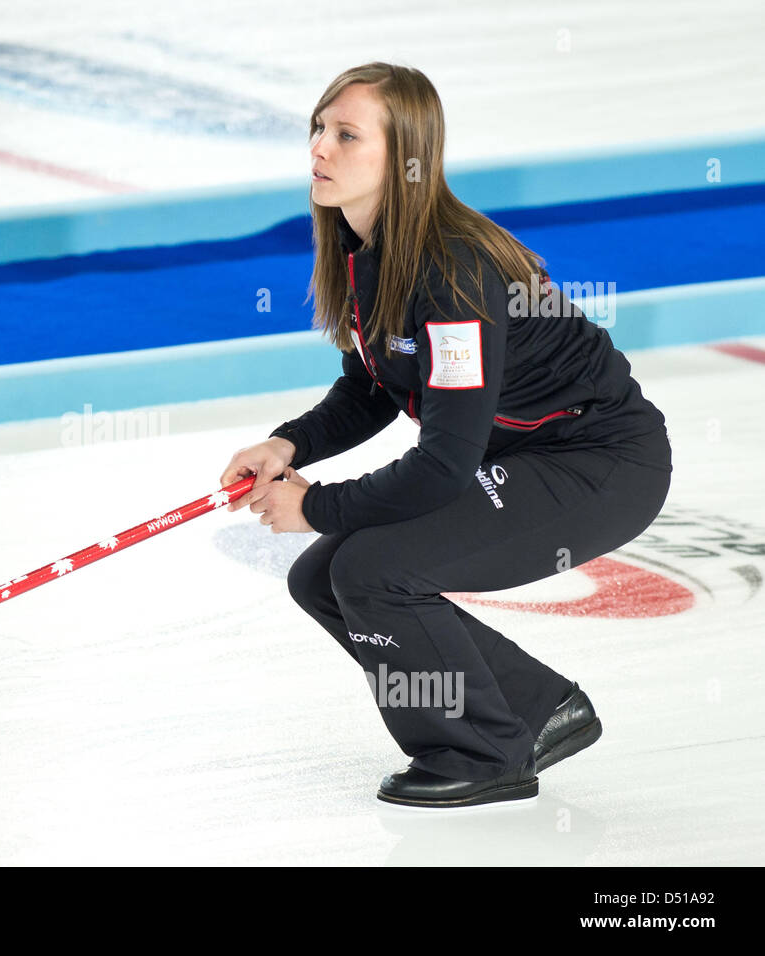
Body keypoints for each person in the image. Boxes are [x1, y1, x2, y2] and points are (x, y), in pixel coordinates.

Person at [218, 62, 672, 809]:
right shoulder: (366, 248)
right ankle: (533, 709)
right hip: (527, 453)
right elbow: (375, 382)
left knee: (369, 572)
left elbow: (444, 467)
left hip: (599, 462)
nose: (319, 150)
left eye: (345, 135)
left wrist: (316, 507)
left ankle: (486, 751)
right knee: (320, 578)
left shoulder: (453, 274)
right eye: (319, 130)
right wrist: (289, 447)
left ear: (404, 159)